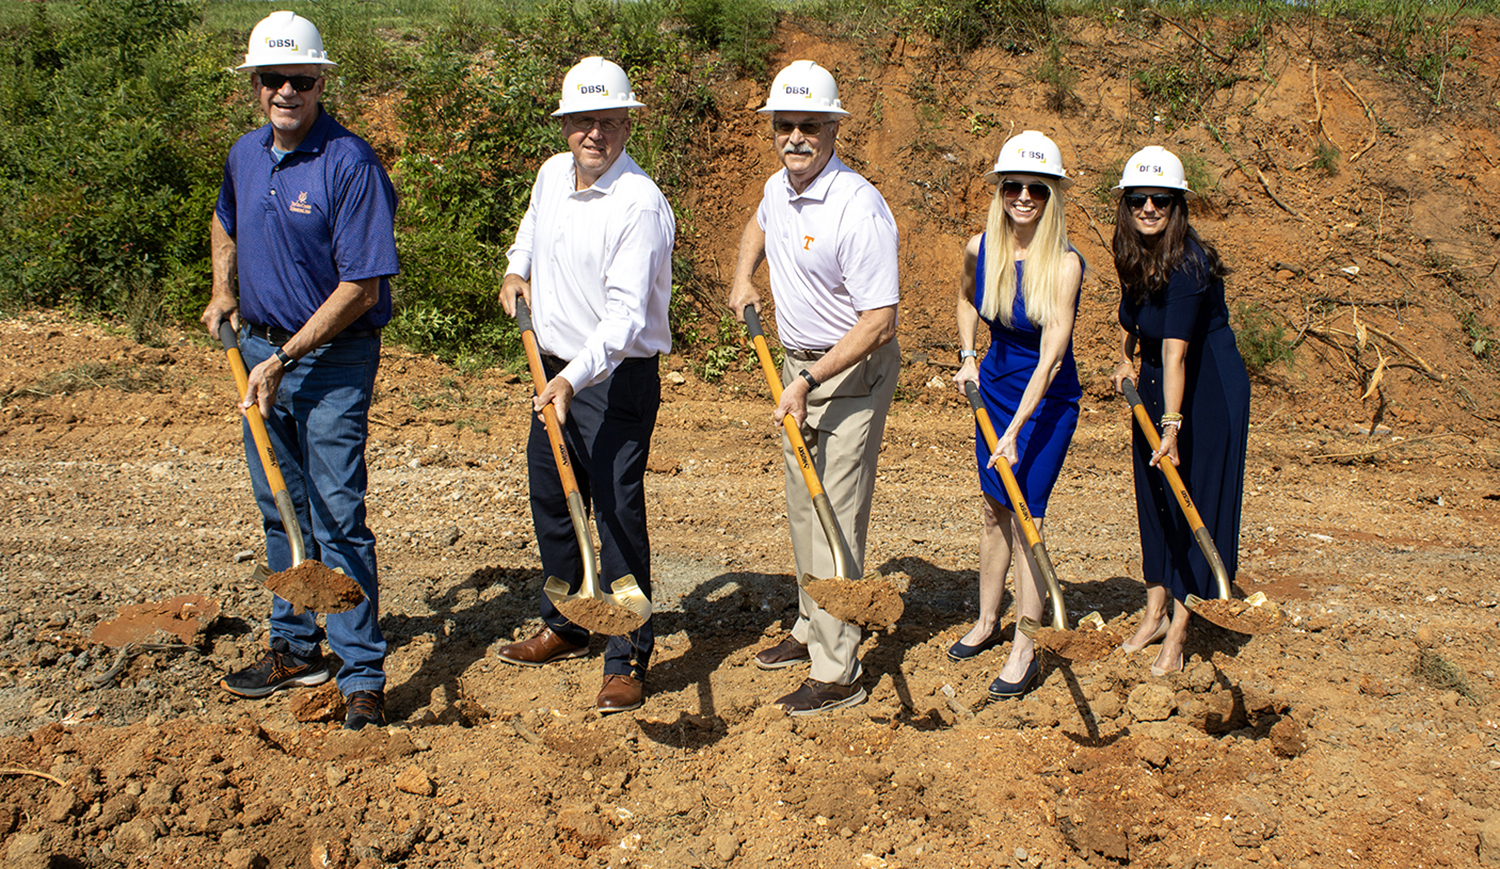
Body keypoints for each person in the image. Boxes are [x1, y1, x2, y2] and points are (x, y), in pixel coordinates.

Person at [201, 12, 399, 731]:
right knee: (280, 506)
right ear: (255, 86)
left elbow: (362, 288)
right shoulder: (246, 155)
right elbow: (225, 219)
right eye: (272, 79)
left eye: (301, 80)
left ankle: (361, 675)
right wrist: (224, 290)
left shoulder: (350, 163)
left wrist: (287, 358)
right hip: (257, 352)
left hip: (332, 360)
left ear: (321, 84)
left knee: (338, 514)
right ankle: (294, 646)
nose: (287, 91)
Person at [494, 57, 675, 715]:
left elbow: (626, 318)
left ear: (627, 123)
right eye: (581, 121)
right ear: (565, 124)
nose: (593, 133)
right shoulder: (550, 175)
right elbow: (532, 234)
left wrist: (572, 378)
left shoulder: (639, 204)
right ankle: (567, 618)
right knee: (551, 493)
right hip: (554, 367)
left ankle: (627, 652)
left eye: (606, 120)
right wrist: (518, 272)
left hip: (614, 377)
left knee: (616, 511)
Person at [729, 60, 901, 716]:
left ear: (833, 128)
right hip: (800, 368)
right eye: (785, 124)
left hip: (849, 373)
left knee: (833, 517)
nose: (795, 136)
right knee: (804, 501)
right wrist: (745, 275)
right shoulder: (780, 187)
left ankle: (838, 672)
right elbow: (759, 225)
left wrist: (809, 378)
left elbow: (879, 322)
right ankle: (811, 625)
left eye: (809, 125)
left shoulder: (858, 208)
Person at [1108, 146, 1250, 677]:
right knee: (1155, 498)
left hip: (1207, 385)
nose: (1149, 208)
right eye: (1139, 199)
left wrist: (1170, 426)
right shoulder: (1132, 250)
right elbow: (1136, 316)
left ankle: (1181, 631)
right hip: (1156, 378)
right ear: (1126, 204)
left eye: (1160, 200)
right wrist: (1124, 356)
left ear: (1176, 206)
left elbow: (1176, 351)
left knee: (1197, 497)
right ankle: (1153, 614)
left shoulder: (1188, 263)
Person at [952, 131, 1084, 701]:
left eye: (1036, 187)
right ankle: (986, 621)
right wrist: (967, 357)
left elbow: (1052, 357)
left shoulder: (1065, 264)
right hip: (997, 386)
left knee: (1026, 515)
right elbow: (964, 298)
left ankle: (1025, 647)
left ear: (1052, 194)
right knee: (993, 508)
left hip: (1045, 401)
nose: (1023, 197)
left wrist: (1011, 431)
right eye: (1013, 186)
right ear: (1000, 190)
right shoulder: (982, 249)